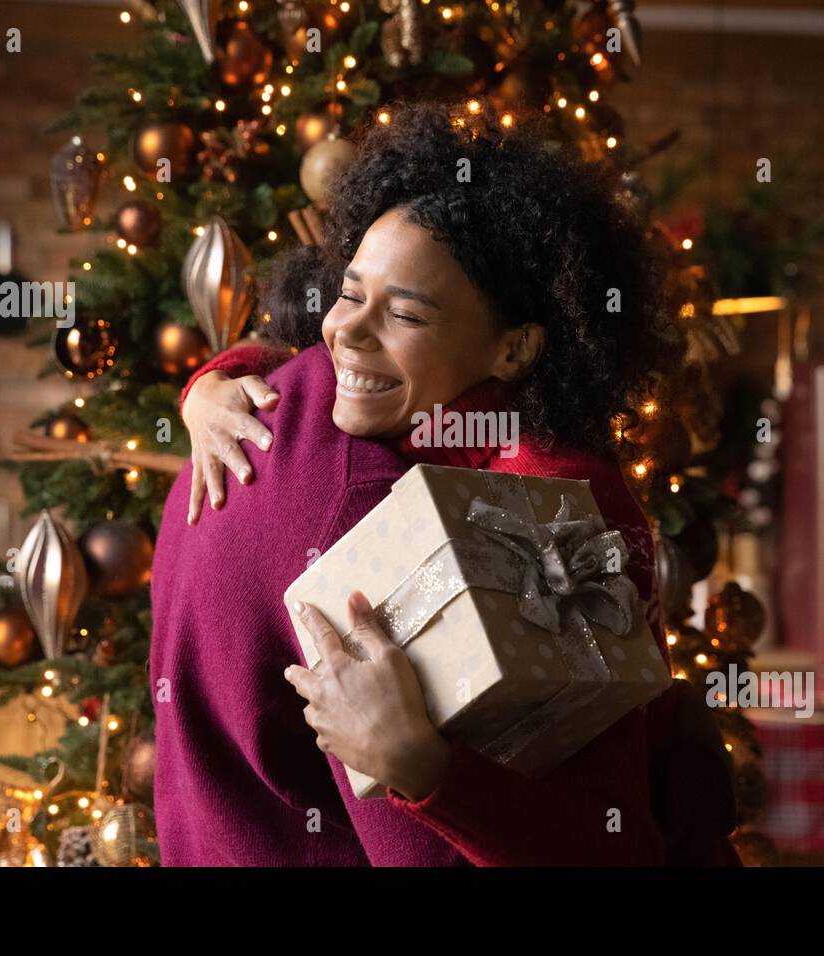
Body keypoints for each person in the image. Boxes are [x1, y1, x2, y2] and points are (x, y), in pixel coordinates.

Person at [150, 102, 739, 866]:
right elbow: (304, 355)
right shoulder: (352, 425)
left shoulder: (546, 498)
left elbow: (603, 832)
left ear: (516, 347)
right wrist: (212, 381)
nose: (344, 335)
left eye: (407, 315)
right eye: (350, 292)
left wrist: (423, 769)